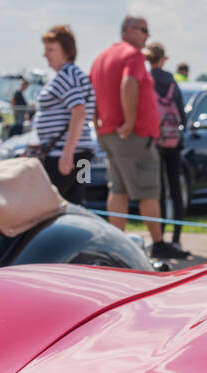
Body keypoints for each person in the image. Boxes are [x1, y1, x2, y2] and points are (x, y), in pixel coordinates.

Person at [90, 14, 169, 255]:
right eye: (143, 30)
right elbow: (129, 84)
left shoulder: (101, 58)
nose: (147, 36)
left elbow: (91, 92)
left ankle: (116, 248)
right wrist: (129, 123)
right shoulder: (133, 55)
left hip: (110, 134)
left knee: (118, 190)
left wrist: (97, 124)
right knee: (148, 190)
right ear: (129, 30)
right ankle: (159, 244)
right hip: (132, 136)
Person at [35, 24, 97, 204]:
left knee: (51, 204)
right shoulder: (76, 74)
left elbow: (79, 111)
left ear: (66, 51)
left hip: (63, 155)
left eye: (50, 49)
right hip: (83, 154)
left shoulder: (66, 76)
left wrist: (67, 154)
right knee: (77, 202)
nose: (45, 55)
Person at [143, 39, 189, 258]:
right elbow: (181, 114)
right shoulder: (171, 80)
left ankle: (158, 238)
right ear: (163, 59)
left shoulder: (146, 79)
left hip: (153, 142)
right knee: (175, 190)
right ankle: (176, 239)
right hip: (173, 142)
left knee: (158, 191)